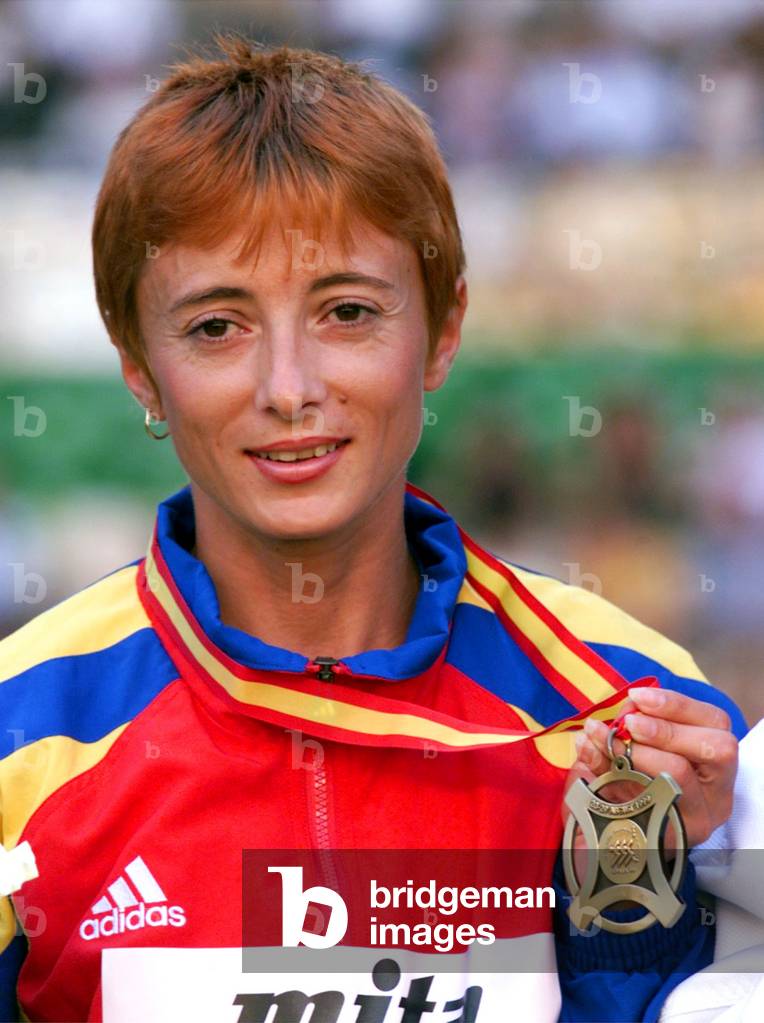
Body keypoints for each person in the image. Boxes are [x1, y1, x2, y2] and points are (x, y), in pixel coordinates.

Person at [0, 34, 745, 1023]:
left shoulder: (628, 711)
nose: (289, 389)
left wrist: (637, 908)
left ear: (440, 331)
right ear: (139, 365)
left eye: (346, 312)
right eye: (216, 327)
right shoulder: (24, 737)